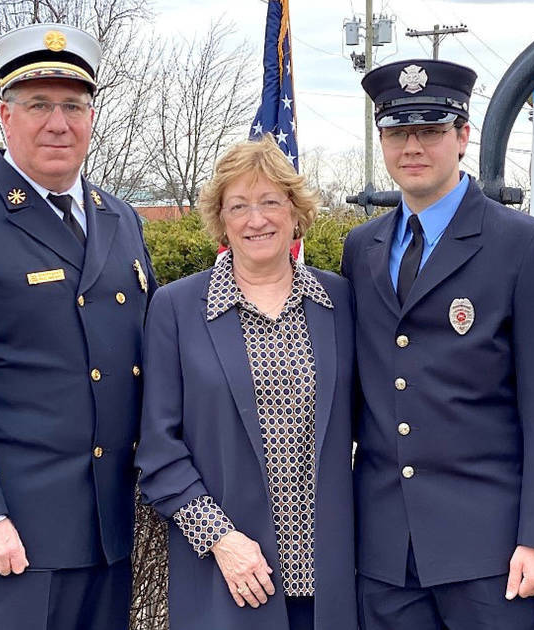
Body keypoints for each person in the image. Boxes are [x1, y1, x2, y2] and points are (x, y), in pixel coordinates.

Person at [0, 23, 156, 629]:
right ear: (4, 115)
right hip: (14, 532)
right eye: (38, 105)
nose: (58, 123)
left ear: (92, 117)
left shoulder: (121, 219)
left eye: (73, 106)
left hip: (108, 526)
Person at [340, 59, 534, 630]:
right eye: (398, 132)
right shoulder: (361, 247)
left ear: (463, 136)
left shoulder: (526, 245)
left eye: (430, 130)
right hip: (385, 549)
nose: (412, 146)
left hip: (488, 550)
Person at [135, 135, 358, 630]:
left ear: (296, 212)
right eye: (239, 206)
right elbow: (158, 451)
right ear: (221, 220)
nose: (256, 220)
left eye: (270, 202)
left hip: (334, 583)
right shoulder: (176, 308)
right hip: (228, 578)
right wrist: (221, 541)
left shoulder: (340, 302)